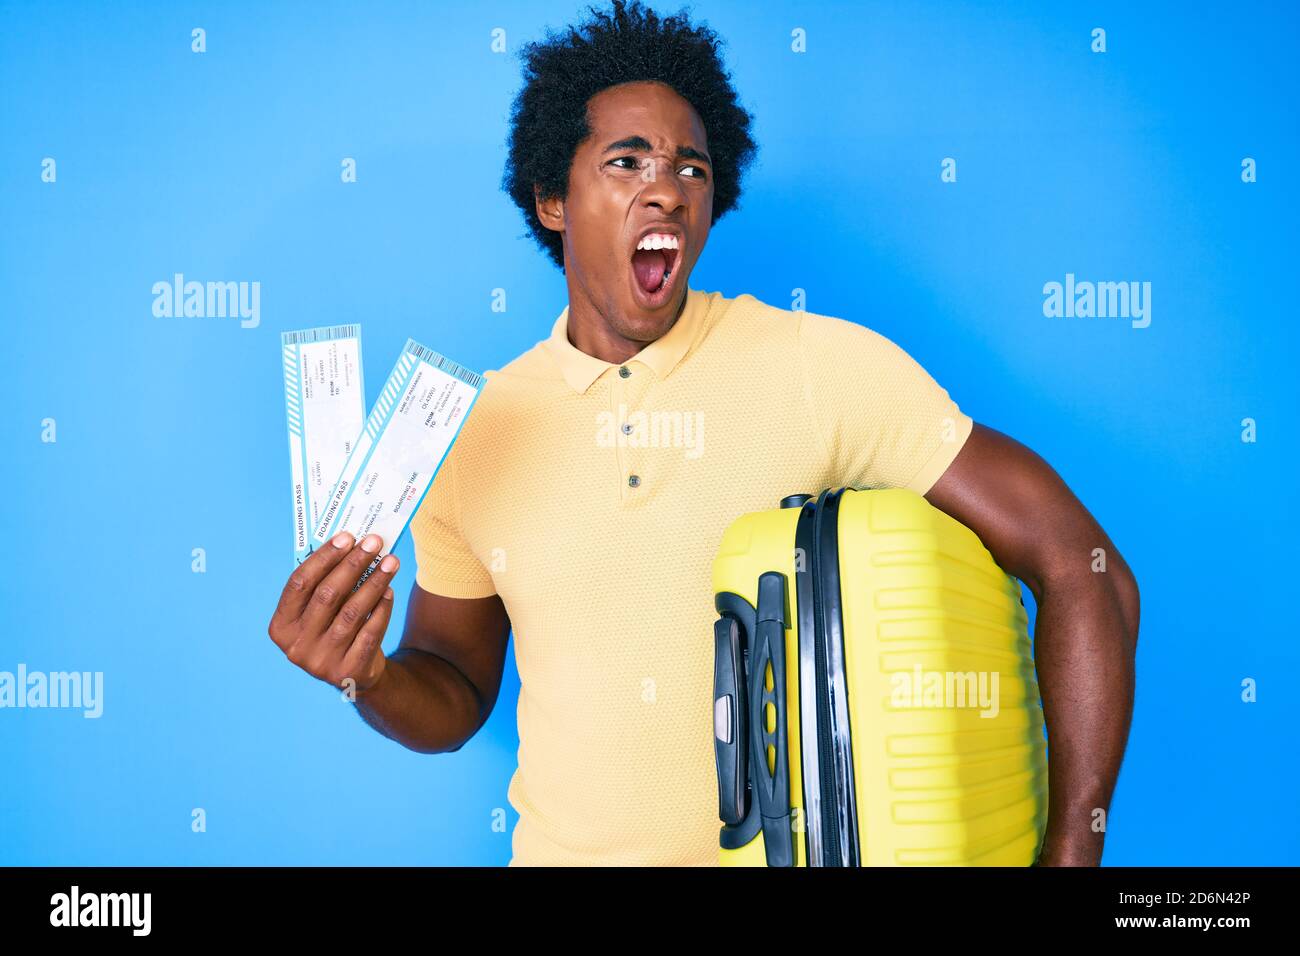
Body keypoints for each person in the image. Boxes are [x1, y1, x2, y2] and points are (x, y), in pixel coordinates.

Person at [266, 0, 1139, 866]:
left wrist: (1073, 850)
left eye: (692, 167)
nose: (666, 188)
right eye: (626, 160)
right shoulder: (474, 432)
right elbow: (453, 692)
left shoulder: (816, 366)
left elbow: (1083, 567)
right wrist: (366, 675)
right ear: (551, 200)